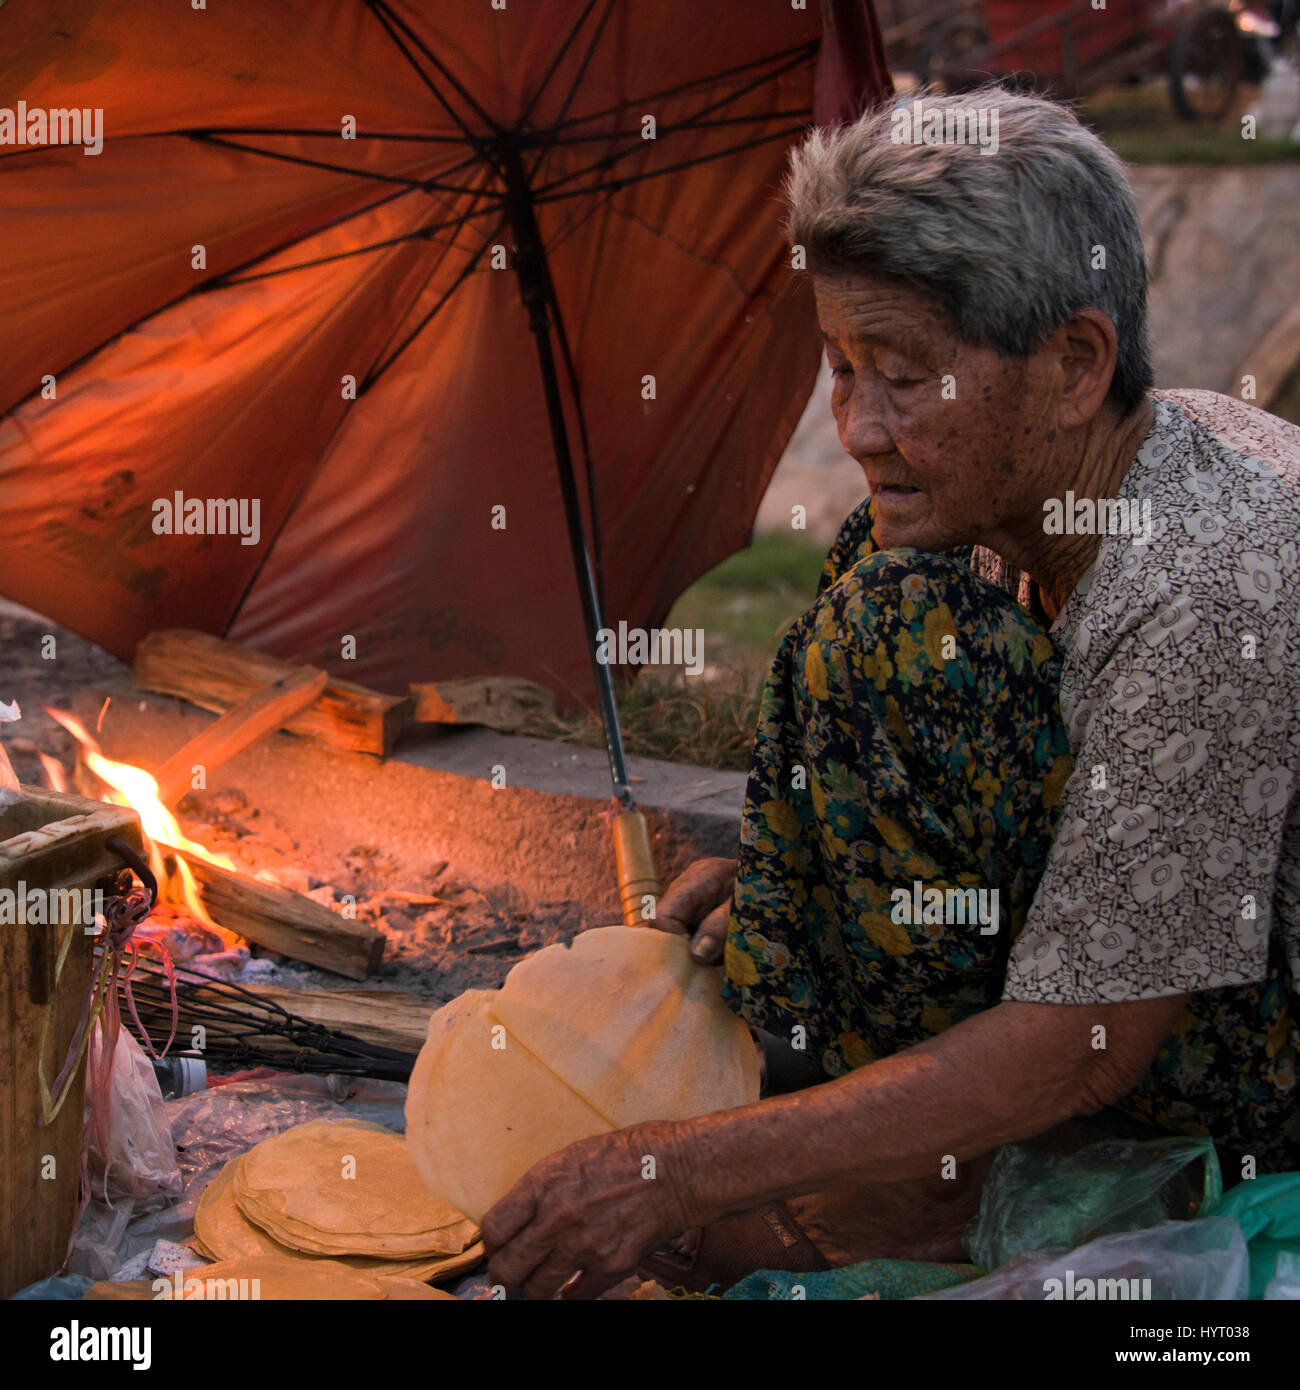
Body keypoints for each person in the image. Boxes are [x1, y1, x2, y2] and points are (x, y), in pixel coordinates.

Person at [482, 86, 1300, 1300]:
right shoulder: (1061, 492)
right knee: (890, 591)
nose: (858, 425)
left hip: (1248, 1069)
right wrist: (796, 884)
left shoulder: (1207, 589)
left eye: (905, 378)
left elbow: (1081, 1047)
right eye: (839, 365)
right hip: (1157, 937)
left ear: (1076, 363)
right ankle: (905, 1134)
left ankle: (952, 1190)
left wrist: (679, 1168)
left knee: (896, 606)